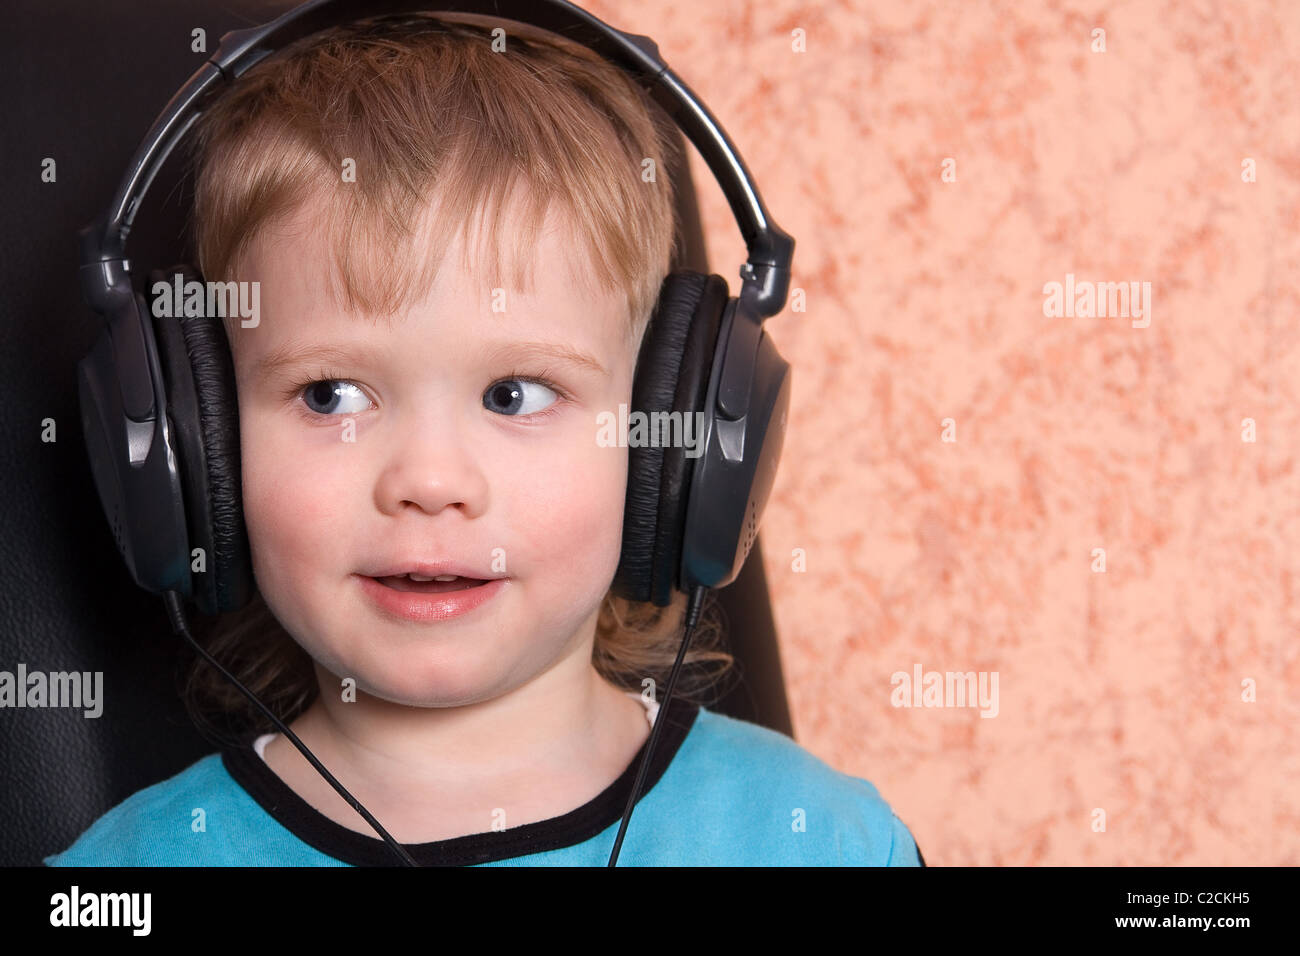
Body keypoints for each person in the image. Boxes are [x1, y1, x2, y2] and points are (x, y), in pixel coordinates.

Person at [46, 11, 922, 866]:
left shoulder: (821, 838)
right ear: (199, 451)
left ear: (674, 437)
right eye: (331, 394)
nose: (429, 480)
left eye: (514, 393)